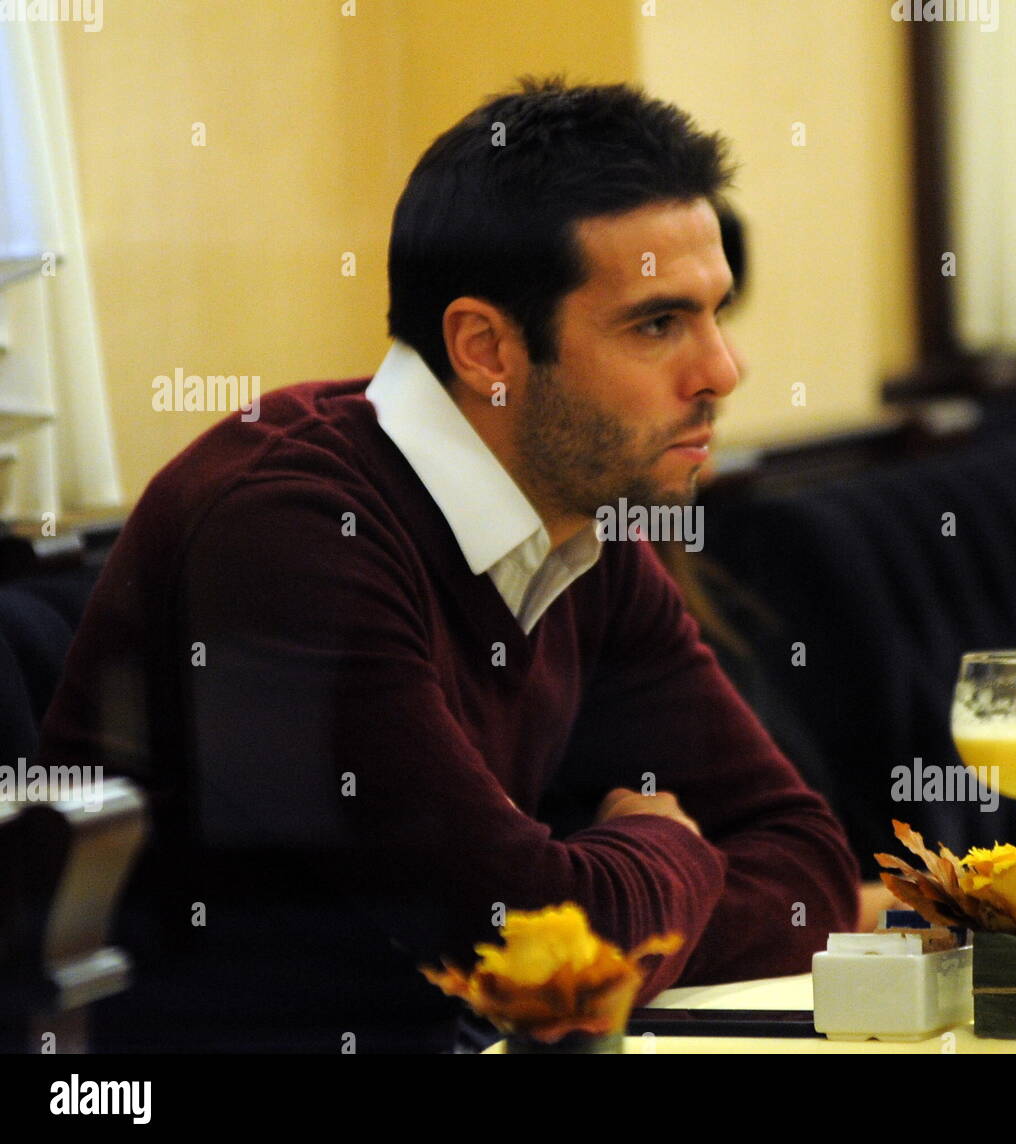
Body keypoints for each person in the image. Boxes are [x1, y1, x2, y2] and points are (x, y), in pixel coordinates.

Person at [37, 75, 860, 1052]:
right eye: (656, 323)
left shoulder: (579, 522)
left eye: (717, 313)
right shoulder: (291, 530)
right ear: (484, 349)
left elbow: (807, 864)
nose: (722, 370)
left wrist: (601, 905)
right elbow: (505, 938)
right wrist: (668, 847)